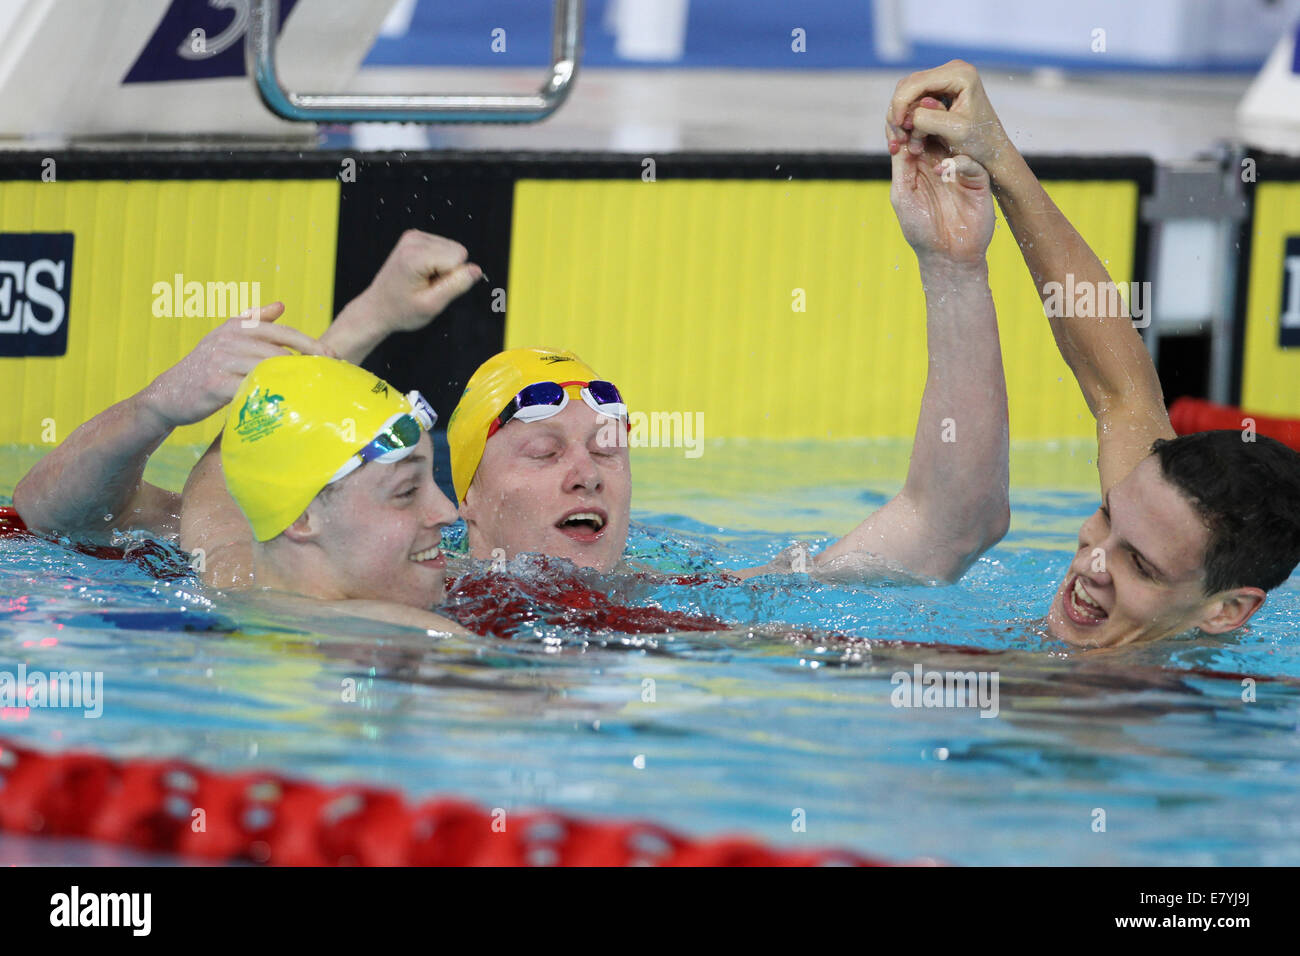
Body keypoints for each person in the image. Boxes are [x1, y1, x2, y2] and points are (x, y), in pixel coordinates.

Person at [443, 133, 1010, 584]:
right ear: (466, 498)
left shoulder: (688, 598)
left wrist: (953, 266)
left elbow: (952, 527)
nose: (587, 475)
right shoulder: (425, 599)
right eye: (544, 453)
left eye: (607, 449)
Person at [885, 60, 1300, 647]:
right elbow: (1121, 388)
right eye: (1107, 516)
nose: (1093, 566)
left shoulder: (1128, 722)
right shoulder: (1162, 526)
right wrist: (996, 150)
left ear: (1228, 611)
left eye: (1141, 565)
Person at [13, 233, 481, 633]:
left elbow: (222, 483)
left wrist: (374, 314)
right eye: (405, 491)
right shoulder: (432, 642)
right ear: (300, 520)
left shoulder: (234, 573)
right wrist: (155, 405)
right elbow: (42, 510)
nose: (446, 510)